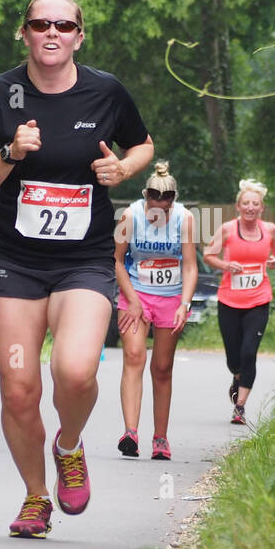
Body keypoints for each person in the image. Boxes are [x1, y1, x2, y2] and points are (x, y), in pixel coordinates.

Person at [0, 0, 154, 538]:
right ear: (23, 32)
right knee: (18, 387)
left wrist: (124, 169)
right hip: (16, 263)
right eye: (41, 24)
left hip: (84, 261)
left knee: (74, 371)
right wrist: (9, 154)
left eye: (64, 26)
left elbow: (142, 145)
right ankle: (35, 496)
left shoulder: (105, 90)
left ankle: (67, 443)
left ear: (79, 36)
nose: (52, 33)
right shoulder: (0, 94)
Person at [113, 161, 198, 461]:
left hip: (170, 298)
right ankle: (130, 433)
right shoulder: (130, 216)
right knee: (134, 356)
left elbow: (189, 266)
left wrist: (184, 305)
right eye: (154, 198)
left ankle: (160, 438)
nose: (159, 204)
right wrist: (133, 300)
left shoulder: (185, 219)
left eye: (166, 200)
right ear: (145, 195)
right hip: (135, 294)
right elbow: (117, 261)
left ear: (173, 199)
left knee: (162, 368)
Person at [203, 179, 275, 425]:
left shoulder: (270, 229)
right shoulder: (228, 229)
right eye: (246, 203)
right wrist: (225, 265)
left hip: (259, 300)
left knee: (249, 352)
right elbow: (208, 255)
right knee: (234, 358)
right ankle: (237, 376)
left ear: (262, 208)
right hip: (229, 300)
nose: (251, 207)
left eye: (256, 204)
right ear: (238, 206)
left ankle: (239, 407)